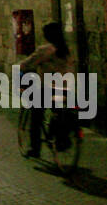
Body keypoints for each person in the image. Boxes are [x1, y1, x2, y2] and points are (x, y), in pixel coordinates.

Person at [19, 22, 71, 158]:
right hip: (65, 89)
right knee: (58, 110)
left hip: (47, 89)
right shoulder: (65, 50)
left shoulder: (45, 50)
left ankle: (35, 149)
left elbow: (27, 64)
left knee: (36, 117)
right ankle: (58, 136)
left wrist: (22, 68)